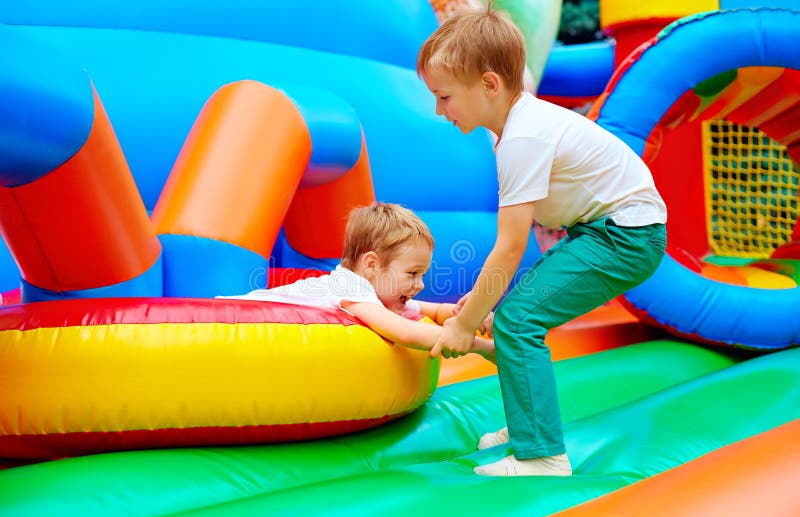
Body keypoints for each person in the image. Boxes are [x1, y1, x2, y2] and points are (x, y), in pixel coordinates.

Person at [416, 2, 667, 476]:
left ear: (489, 85)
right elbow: (517, 243)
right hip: (604, 229)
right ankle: (530, 422)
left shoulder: (522, 140)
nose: (438, 109)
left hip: (626, 235)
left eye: (444, 96)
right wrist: (480, 300)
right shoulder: (518, 125)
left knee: (516, 320)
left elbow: (510, 246)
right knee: (515, 314)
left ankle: (543, 455)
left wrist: (464, 323)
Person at [218, 202, 495, 360]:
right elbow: (405, 333)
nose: (420, 284)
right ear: (372, 265)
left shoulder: (377, 293)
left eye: (422, 275)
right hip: (224, 320)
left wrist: (469, 316)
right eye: (412, 274)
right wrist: (482, 348)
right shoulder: (351, 288)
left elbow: (432, 311)